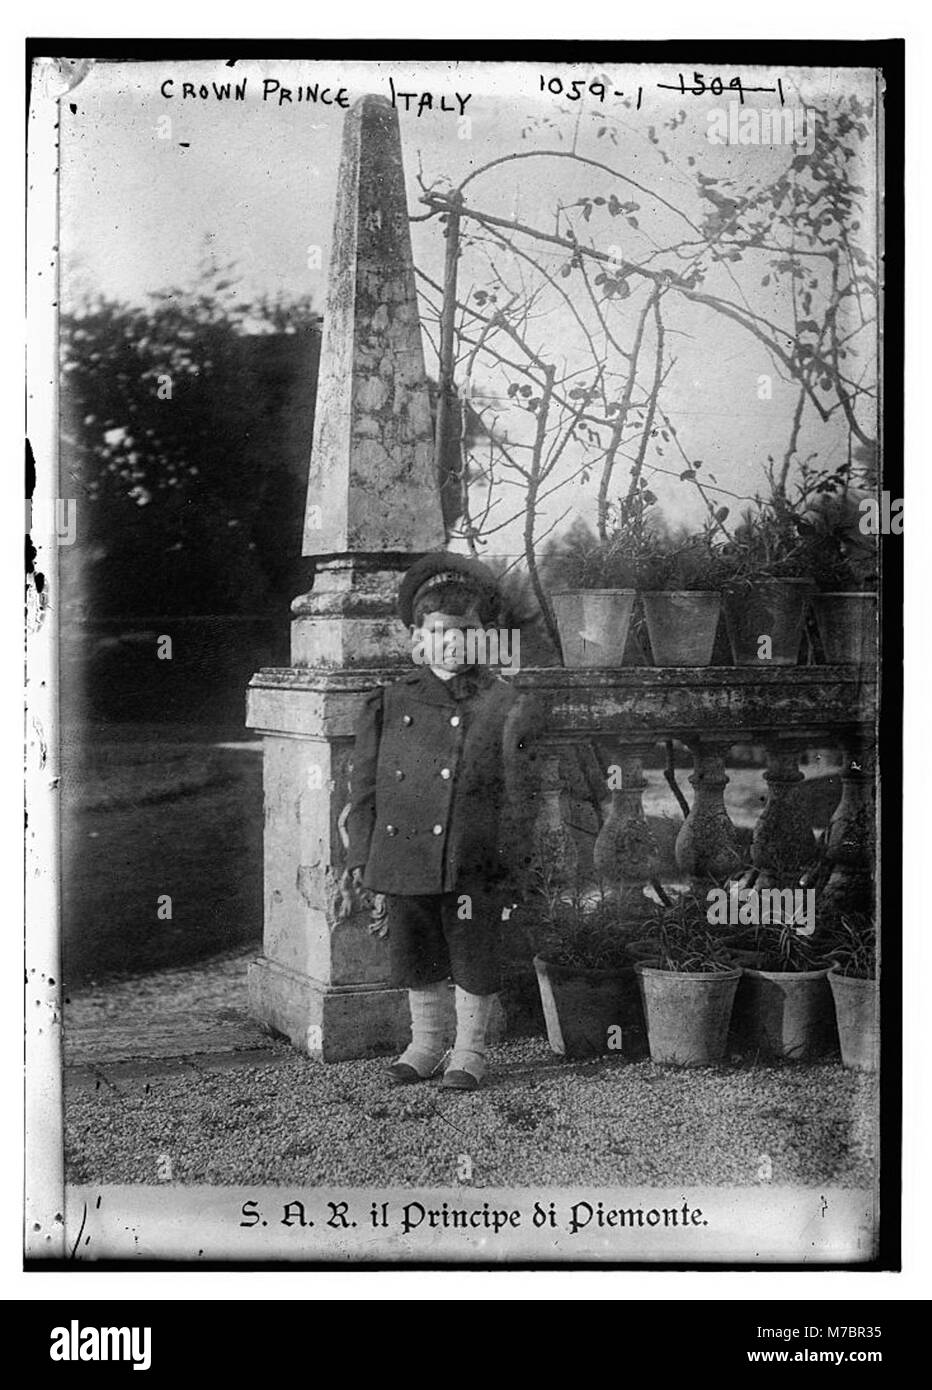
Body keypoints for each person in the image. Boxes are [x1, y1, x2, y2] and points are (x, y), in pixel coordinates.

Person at [341, 553, 542, 1092]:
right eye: (439, 634)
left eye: (465, 633)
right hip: (403, 853)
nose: (453, 644)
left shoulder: (503, 704)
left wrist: (514, 863)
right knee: (416, 951)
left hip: (472, 856)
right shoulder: (389, 702)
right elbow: (364, 789)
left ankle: (470, 1050)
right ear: (416, 639)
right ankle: (426, 1044)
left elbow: (520, 795)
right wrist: (361, 856)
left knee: (474, 952)